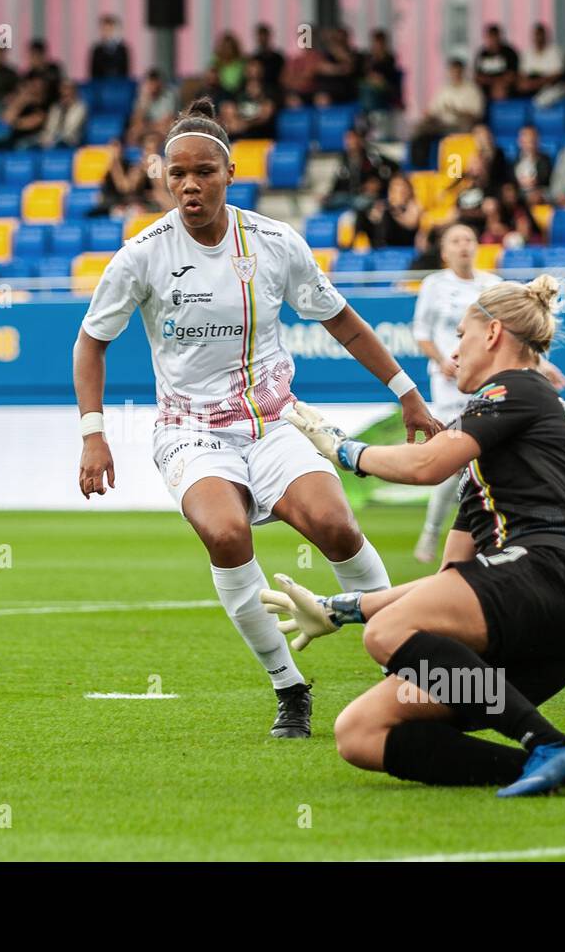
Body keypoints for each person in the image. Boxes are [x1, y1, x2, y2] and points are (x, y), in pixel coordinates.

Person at [73, 98, 440, 739]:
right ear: (163, 177)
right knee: (225, 534)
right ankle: (289, 686)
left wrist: (407, 391)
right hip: (191, 431)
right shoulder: (141, 255)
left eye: (204, 171)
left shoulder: (274, 243)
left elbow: (344, 323)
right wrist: (93, 434)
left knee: (333, 523)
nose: (190, 184)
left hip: (274, 421)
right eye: (177, 173)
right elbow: (90, 343)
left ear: (230, 172)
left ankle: (404, 664)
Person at [262, 274, 565, 797]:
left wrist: (343, 450)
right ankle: (558, 771)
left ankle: (551, 745)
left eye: (461, 334)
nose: (452, 351)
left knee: (387, 634)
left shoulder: (519, 388)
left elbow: (428, 464)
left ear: (493, 333)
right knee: (360, 733)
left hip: (551, 579)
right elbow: (451, 581)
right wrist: (338, 607)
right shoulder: (489, 455)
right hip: (542, 618)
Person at [409, 224, 502, 561]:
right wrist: (441, 360)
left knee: (485, 461)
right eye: (456, 241)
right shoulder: (434, 285)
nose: (464, 246)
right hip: (448, 385)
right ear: (444, 252)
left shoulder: (492, 284)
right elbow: (421, 333)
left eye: (469, 239)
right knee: (455, 459)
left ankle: (486, 536)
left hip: (484, 382)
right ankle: (432, 531)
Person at [409, 59, 484, 168]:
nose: (455, 74)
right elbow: (432, 110)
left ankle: (456, 169)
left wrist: (457, 111)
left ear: (463, 71)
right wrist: (428, 117)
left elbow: (476, 115)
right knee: (420, 128)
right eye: (452, 71)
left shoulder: (472, 90)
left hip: (461, 125)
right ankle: (419, 166)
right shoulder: (444, 90)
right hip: (441, 124)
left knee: (465, 125)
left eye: (457, 71)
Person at [127, 68, 177, 144]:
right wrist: (146, 101)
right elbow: (136, 120)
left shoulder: (169, 95)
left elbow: (168, 119)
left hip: (161, 128)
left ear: (160, 83)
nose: (153, 87)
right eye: (150, 83)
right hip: (149, 127)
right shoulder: (142, 96)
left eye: (155, 83)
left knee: (166, 128)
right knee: (133, 132)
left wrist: (148, 127)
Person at [473, 24, 520, 101]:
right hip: (487, 86)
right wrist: (492, 82)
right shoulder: (482, 54)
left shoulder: (509, 52)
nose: (492, 40)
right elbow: (477, 77)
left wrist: (497, 82)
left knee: (500, 89)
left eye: (494, 37)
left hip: (505, 86)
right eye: (490, 37)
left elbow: (511, 75)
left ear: (499, 37)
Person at [517, 22, 563, 97]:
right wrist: (528, 83)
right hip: (530, 86)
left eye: (540, 35)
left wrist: (537, 83)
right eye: (536, 35)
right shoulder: (527, 53)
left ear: (545, 36)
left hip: (549, 86)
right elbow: (522, 74)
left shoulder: (555, 52)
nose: (538, 38)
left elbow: (557, 75)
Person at [40, 78, 88, 148]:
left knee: (61, 142)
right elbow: (50, 128)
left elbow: (71, 130)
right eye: (62, 94)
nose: (65, 95)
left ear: (74, 92)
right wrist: (47, 138)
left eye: (67, 91)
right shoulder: (56, 107)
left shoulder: (81, 107)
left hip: (72, 141)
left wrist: (54, 139)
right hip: (52, 140)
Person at [511, 125, 552, 204]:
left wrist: (534, 182)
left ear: (537, 141)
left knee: (535, 196)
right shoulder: (515, 161)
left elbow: (544, 178)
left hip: (539, 191)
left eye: (532, 140)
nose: (529, 144)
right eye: (526, 140)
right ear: (520, 142)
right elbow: (511, 180)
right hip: (519, 192)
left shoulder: (544, 159)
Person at [89, 15, 129, 80]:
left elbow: (126, 72)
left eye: (109, 29)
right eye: (104, 29)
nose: (106, 32)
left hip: (118, 85)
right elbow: (93, 73)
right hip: (100, 85)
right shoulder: (97, 49)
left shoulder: (123, 49)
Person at [251, 24, 285, 93]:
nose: (263, 39)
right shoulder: (254, 58)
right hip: (259, 89)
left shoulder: (278, 58)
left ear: (268, 37)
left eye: (264, 36)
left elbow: (282, 77)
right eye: (260, 37)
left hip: (275, 89)